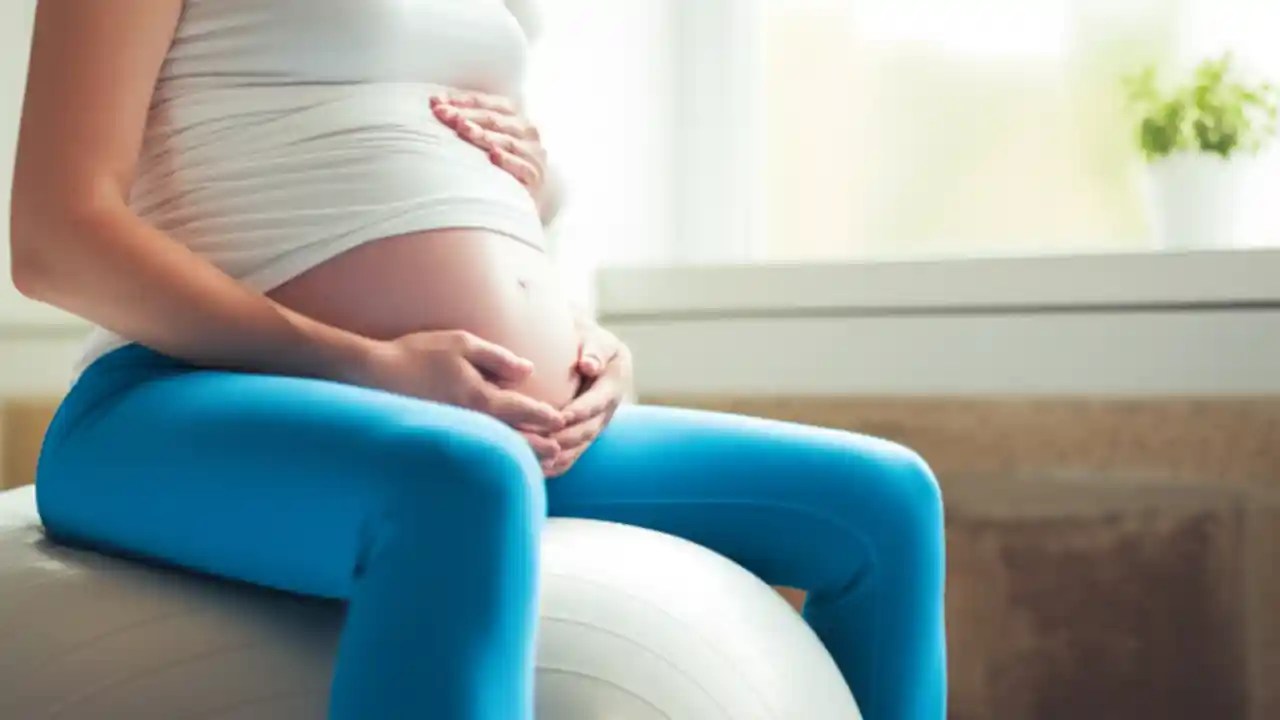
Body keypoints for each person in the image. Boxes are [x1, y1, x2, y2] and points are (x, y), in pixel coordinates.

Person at [9, 2, 946, 718]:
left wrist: (580, 338)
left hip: (466, 416)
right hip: (172, 402)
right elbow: (55, 237)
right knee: (465, 478)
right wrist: (361, 363)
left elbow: (432, 188)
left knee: (882, 501)